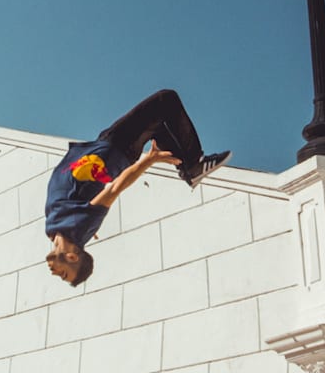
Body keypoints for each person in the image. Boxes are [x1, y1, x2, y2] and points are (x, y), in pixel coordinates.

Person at [44, 89, 230, 286]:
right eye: (64, 274)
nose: (55, 274)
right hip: (117, 148)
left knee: (160, 127)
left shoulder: (58, 230)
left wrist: (90, 226)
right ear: (72, 258)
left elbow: (82, 208)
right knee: (165, 100)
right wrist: (147, 161)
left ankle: (188, 166)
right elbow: (115, 189)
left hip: (103, 145)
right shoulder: (78, 227)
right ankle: (192, 165)